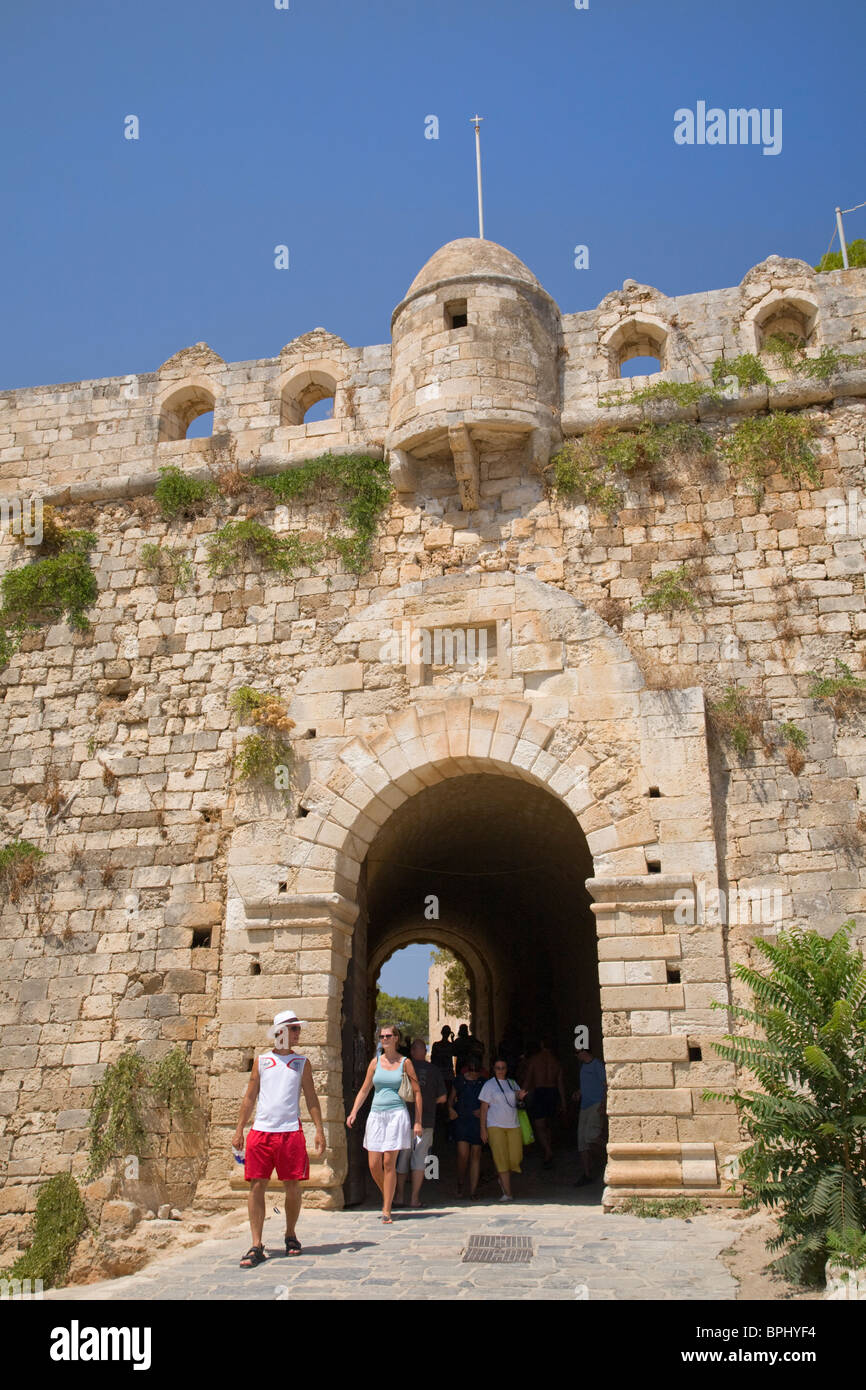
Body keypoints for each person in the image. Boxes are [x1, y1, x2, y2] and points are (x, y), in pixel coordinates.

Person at [232, 1009, 326, 1268]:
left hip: (289, 1131)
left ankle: (290, 1233)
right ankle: (256, 1243)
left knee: (292, 1184)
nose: (298, 1033)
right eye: (294, 1029)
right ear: (280, 1032)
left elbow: (311, 1097)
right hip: (262, 1131)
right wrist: (240, 1129)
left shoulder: (301, 1063)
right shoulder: (261, 1061)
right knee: (256, 1184)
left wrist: (319, 1129)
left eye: (298, 1028)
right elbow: (250, 1096)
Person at [346, 1024, 423, 1222]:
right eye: (381, 1036)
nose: (385, 1039)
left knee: (389, 1162)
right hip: (376, 1115)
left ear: (396, 1038)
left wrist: (418, 1122)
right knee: (373, 1164)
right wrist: (354, 1111)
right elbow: (364, 1089)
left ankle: (386, 1209)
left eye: (388, 1035)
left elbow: (416, 1092)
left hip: (397, 1114)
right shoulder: (375, 1063)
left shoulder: (405, 1063)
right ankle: (388, 1192)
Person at [395, 1039, 447, 1209]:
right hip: (426, 1121)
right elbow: (443, 1098)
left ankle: (400, 1196)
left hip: (404, 1120)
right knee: (420, 1161)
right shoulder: (434, 1071)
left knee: (402, 1159)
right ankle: (414, 1199)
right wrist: (430, 1101)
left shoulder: (402, 1068)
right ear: (424, 1051)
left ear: (411, 1051)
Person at [479, 1057, 528, 1202]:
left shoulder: (512, 1084)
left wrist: (520, 1096)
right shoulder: (489, 1085)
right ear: (493, 1070)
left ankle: (502, 1179)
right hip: (495, 1125)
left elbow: (518, 1100)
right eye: (498, 1068)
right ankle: (508, 1192)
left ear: (507, 1069)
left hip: (513, 1125)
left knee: (515, 1157)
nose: (500, 1070)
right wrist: (483, 1129)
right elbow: (483, 1108)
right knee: (501, 1159)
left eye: (503, 1068)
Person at [523, 1037, 567, 1169]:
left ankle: (548, 1152)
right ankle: (548, 1150)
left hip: (540, 1092)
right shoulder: (556, 1062)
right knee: (548, 1124)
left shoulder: (534, 1061)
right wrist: (563, 1102)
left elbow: (528, 1080)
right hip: (553, 1093)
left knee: (539, 1126)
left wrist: (520, 1095)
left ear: (541, 1044)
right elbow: (561, 1084)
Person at [449, 1051, 485, 1198]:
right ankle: (461, 1182)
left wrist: (483, 1111)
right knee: (463, 1155)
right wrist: (450, 1109)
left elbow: (488, 1101)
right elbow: (451, 1099)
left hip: (477, 1122)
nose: (474, 1075)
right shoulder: (459, 1081)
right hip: (462, 1120)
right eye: (472, 1072)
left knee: (476, 1155)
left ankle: (473, 1190)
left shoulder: (483, 1082)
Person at [574, 1047, 607, 1186]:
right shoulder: (583, 1067)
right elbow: (589, 1085)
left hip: (596, 1104)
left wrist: (603, 1104)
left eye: (576, 1053)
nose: (575, 1056)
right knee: (582, 1142)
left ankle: (607, 1159)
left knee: (591, 1137)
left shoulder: (597, 1065)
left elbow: (606, 1085)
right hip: (584, 1106)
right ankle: (587, 1174)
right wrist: (579, 1092)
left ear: (583, 1052)